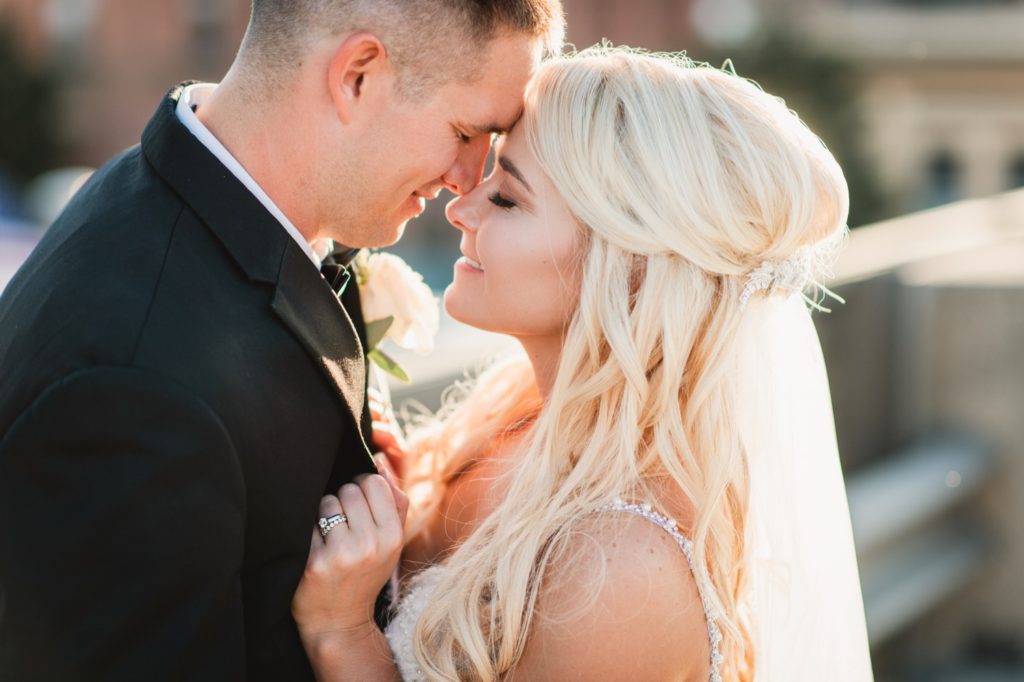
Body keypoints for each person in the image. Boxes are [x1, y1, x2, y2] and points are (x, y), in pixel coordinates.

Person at [0, 1, 563, 680]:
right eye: (467, 132)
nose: (468, 183)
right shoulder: (132, 385)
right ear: (358, 74)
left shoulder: (202, 195)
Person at [291, 47, 875, 681]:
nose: (460, 206)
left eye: (508, 199)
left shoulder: (620, 570)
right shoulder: (517, 415)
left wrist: (341, 632)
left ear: (628, 266)